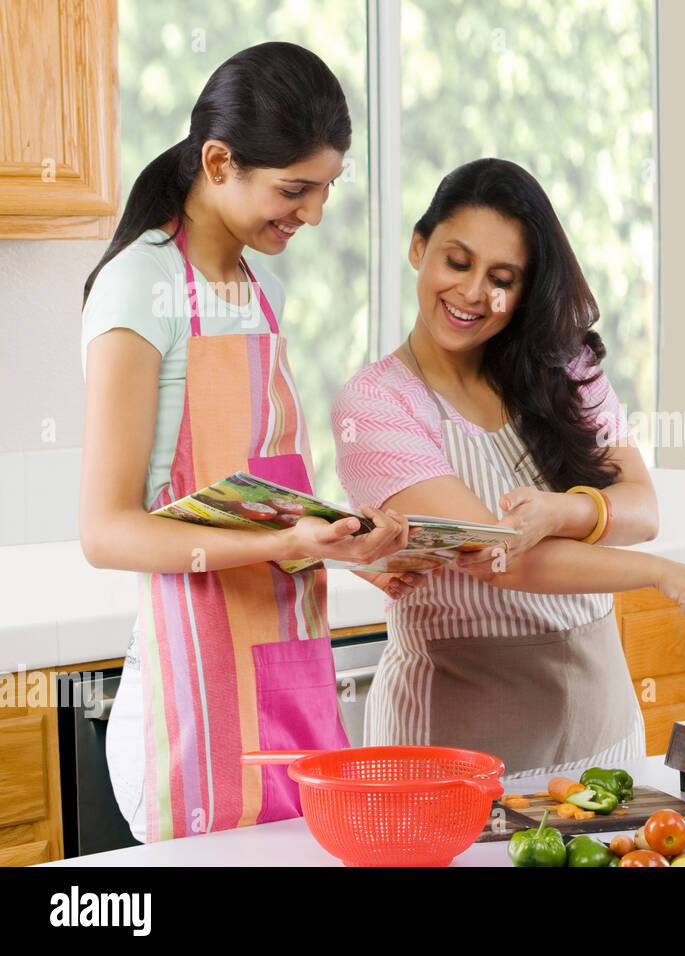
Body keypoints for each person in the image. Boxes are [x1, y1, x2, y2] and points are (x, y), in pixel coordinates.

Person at [80, 42, 410, 843]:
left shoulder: (254, 287)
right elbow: (107, 531)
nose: (315, 214)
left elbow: (253, 493)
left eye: (328, 188)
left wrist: (338, 541)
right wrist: (296, 539)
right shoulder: (141, 285)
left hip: (283, 659)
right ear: (219, 161)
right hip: (191, 685)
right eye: (295, 189)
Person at [331, 158, 685, 779]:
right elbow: (499, 559)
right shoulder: (375, 406)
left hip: (603, 725)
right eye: (457, 261)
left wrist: (563, 509)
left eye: (503, 277)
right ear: (419, 247)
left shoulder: (566, 367)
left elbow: (641, 507)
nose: (474, 292)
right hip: (457, 740)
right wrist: (660, 576)